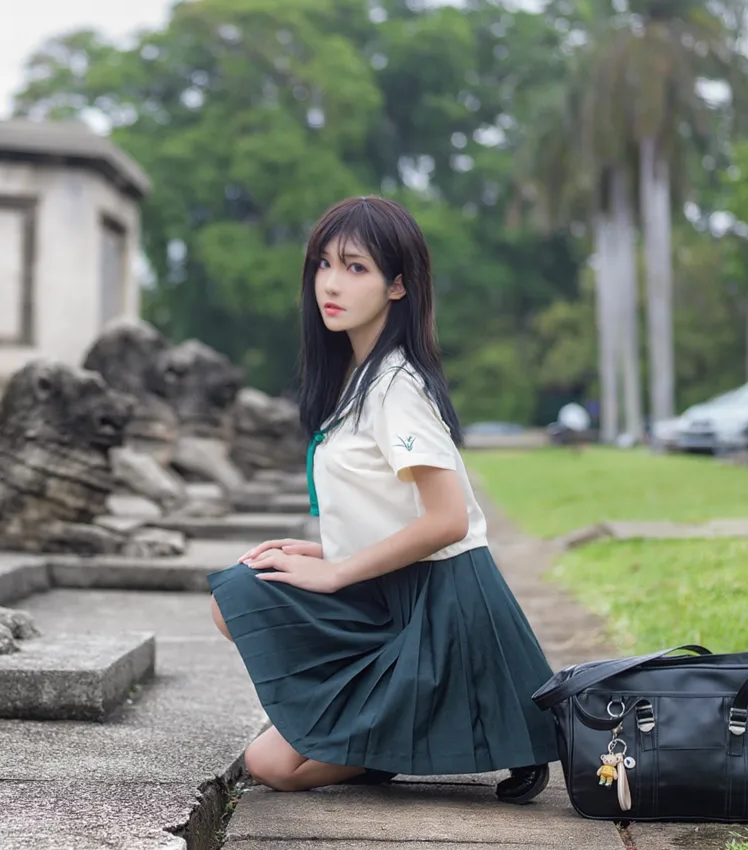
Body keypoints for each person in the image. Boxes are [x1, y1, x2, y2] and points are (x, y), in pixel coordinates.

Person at [207, 195, 560, 803]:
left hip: (442, 607)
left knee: (271, 763)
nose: (331, 284)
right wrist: (325, 549)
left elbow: (447, 520)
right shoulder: (355, 379)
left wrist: (336, 570)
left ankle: (420, 736)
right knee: (240, 591)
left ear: (398, 286)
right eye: (322, 264)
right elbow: (388, 507)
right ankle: (389, 738)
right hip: (389, 593)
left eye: (355, 267)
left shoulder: (398, 385)